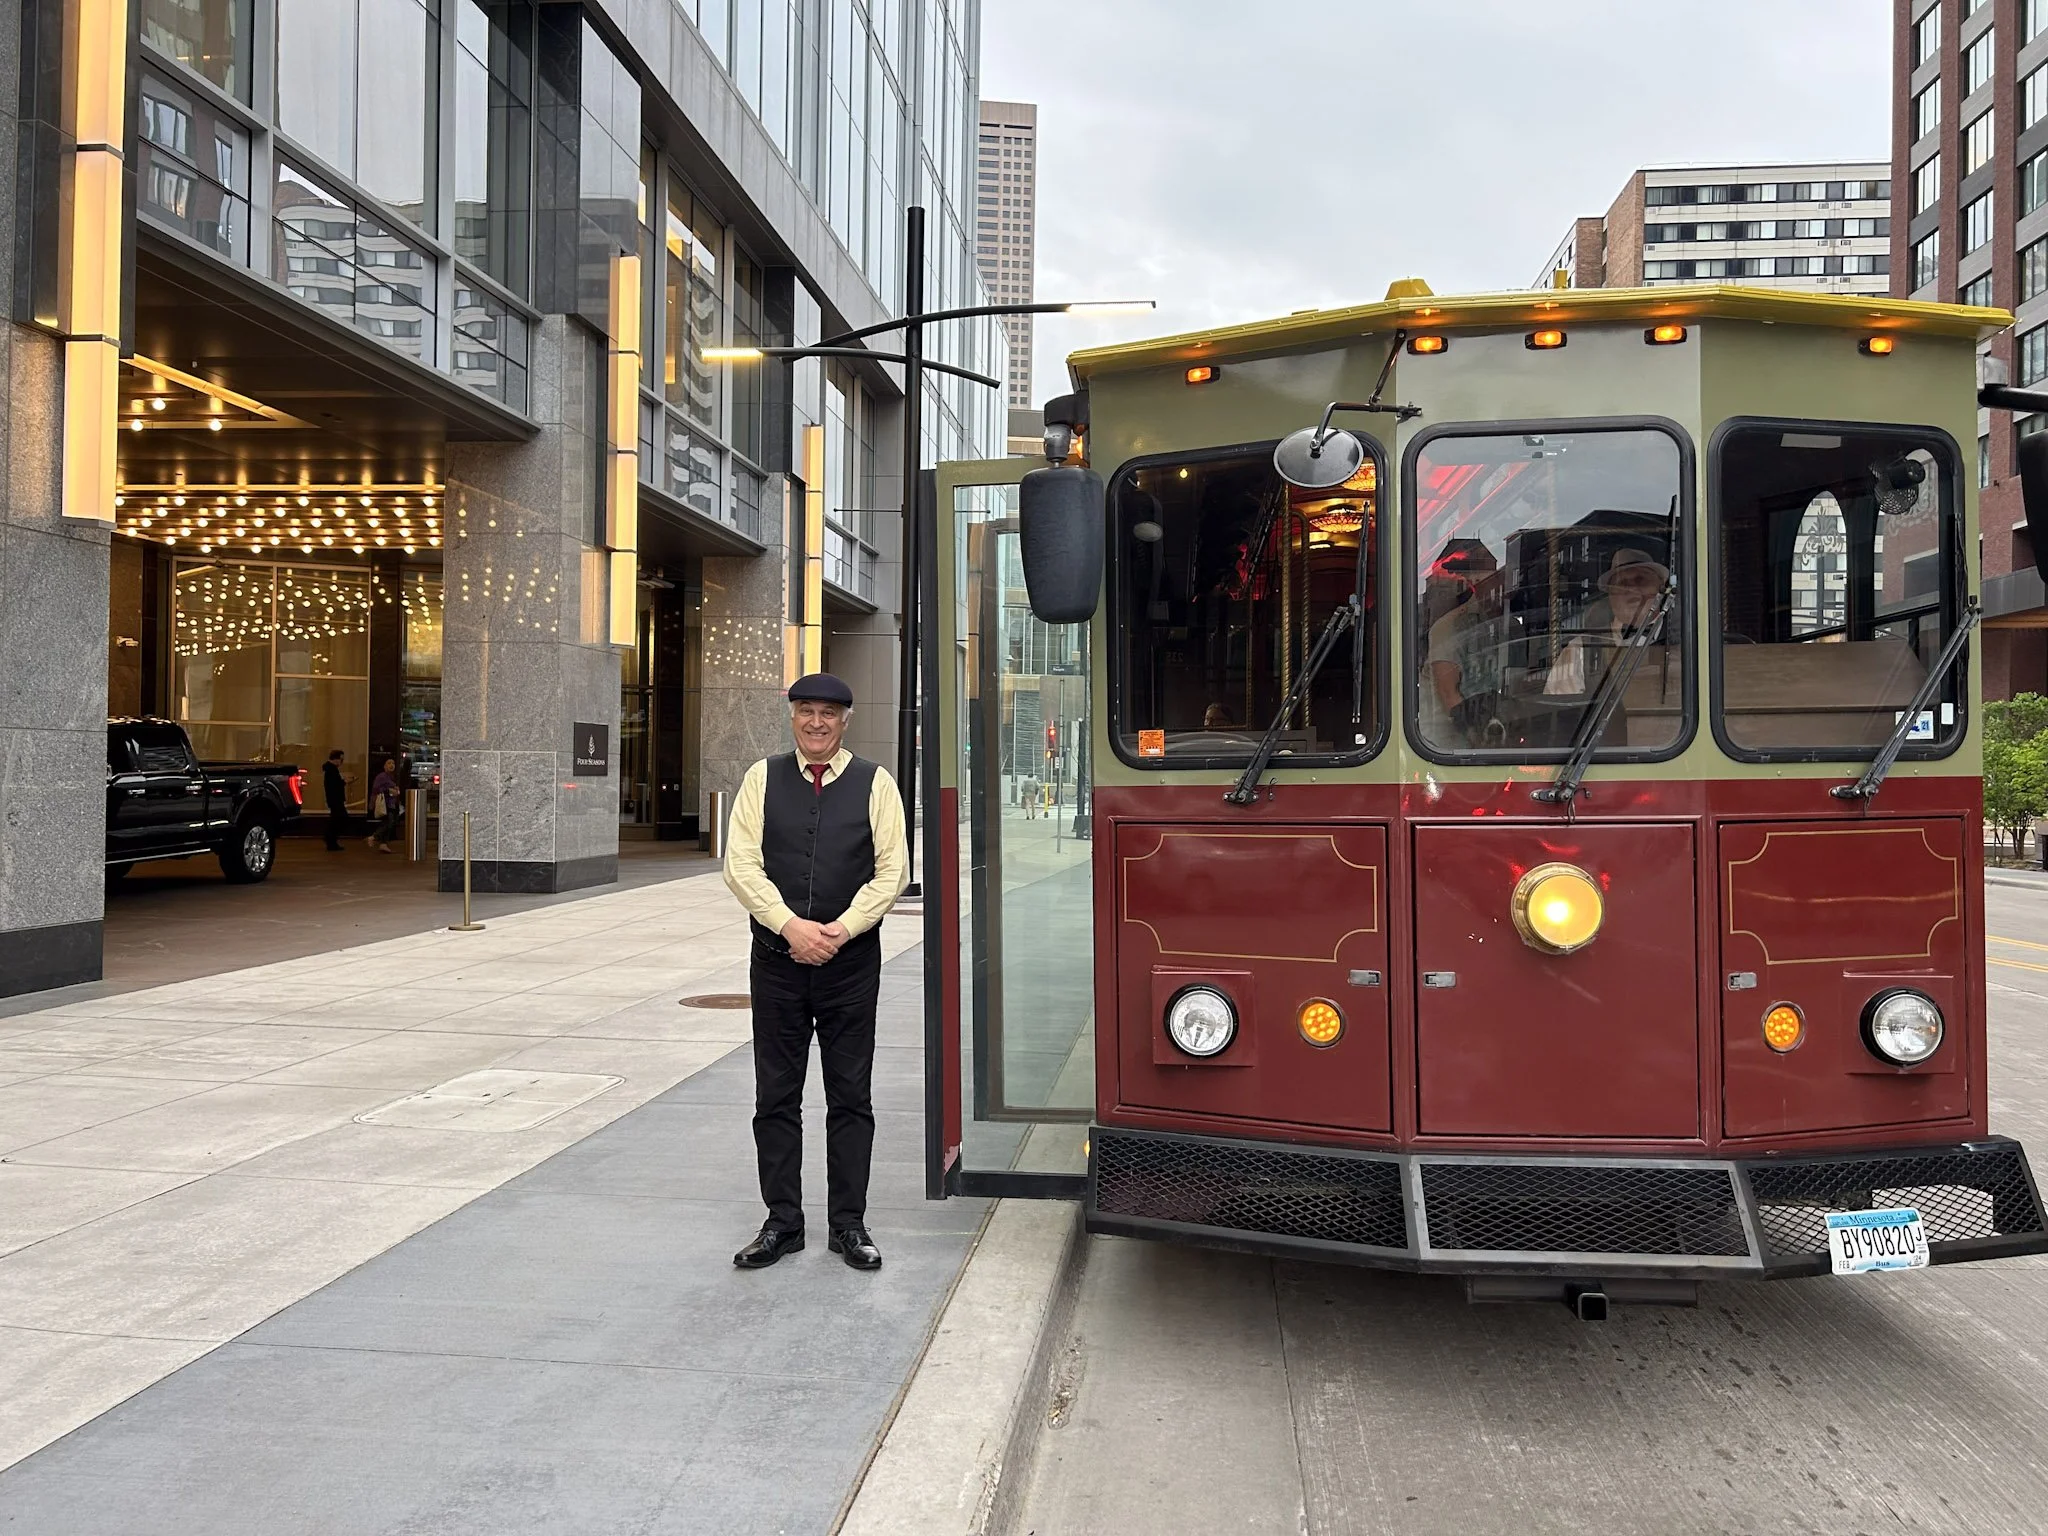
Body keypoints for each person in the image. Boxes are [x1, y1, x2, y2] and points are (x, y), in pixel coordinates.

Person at [723, 673, 909, 1273]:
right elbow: (740, 864)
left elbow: (892, 872)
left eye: (829, 713)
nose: (817, 723)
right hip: (777, 963)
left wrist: (840, 931)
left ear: (846, 720)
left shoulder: (877, 783)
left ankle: (849, 1225)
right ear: (793, 717)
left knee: (850, 1096)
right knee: (775, 1095)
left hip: (849, 967)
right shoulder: (762, 778)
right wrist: (789, 927)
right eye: (806, 711)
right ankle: (782, 1223)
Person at [1543, 547, 1674, 698]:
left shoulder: (1686, 638)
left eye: (1641, 580)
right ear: (1611, 597)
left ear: (1660, 589)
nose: (1631, 588)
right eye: (1622, 583)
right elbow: (1562, 709)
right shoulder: (1580, 650)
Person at [1423, 541, 1518, 747]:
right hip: (1448, 746)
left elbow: (1519, 688)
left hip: (1500, 741)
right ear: (1474, 583)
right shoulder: (1449, 627)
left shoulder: (1513, 628)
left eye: (1502, 579)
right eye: (1489, 580)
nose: (1500, 588)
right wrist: (1477, 743)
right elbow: (1449, 695)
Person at [366, 758, 402, 853]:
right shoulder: (381, 776)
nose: (391, 765)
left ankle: (383, 843)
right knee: (388, 822)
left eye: (393, 763)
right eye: (389, 763)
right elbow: (376, 789)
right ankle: (374, 837)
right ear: (384, 766)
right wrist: (389, 790)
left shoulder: (391, 777)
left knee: (388, 823)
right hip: (385, 803)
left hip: (391, 803)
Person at [321, 749, 350, 851]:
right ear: (336, 759)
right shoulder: (332, 770)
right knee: (339, 819)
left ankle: (330, 839)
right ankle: (330, 838)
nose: (342, 762)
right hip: (335, 799)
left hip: (333, 799)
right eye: (341, 759)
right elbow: (334, 785)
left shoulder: (330, 769)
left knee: (336, 819)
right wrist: (344, 782)